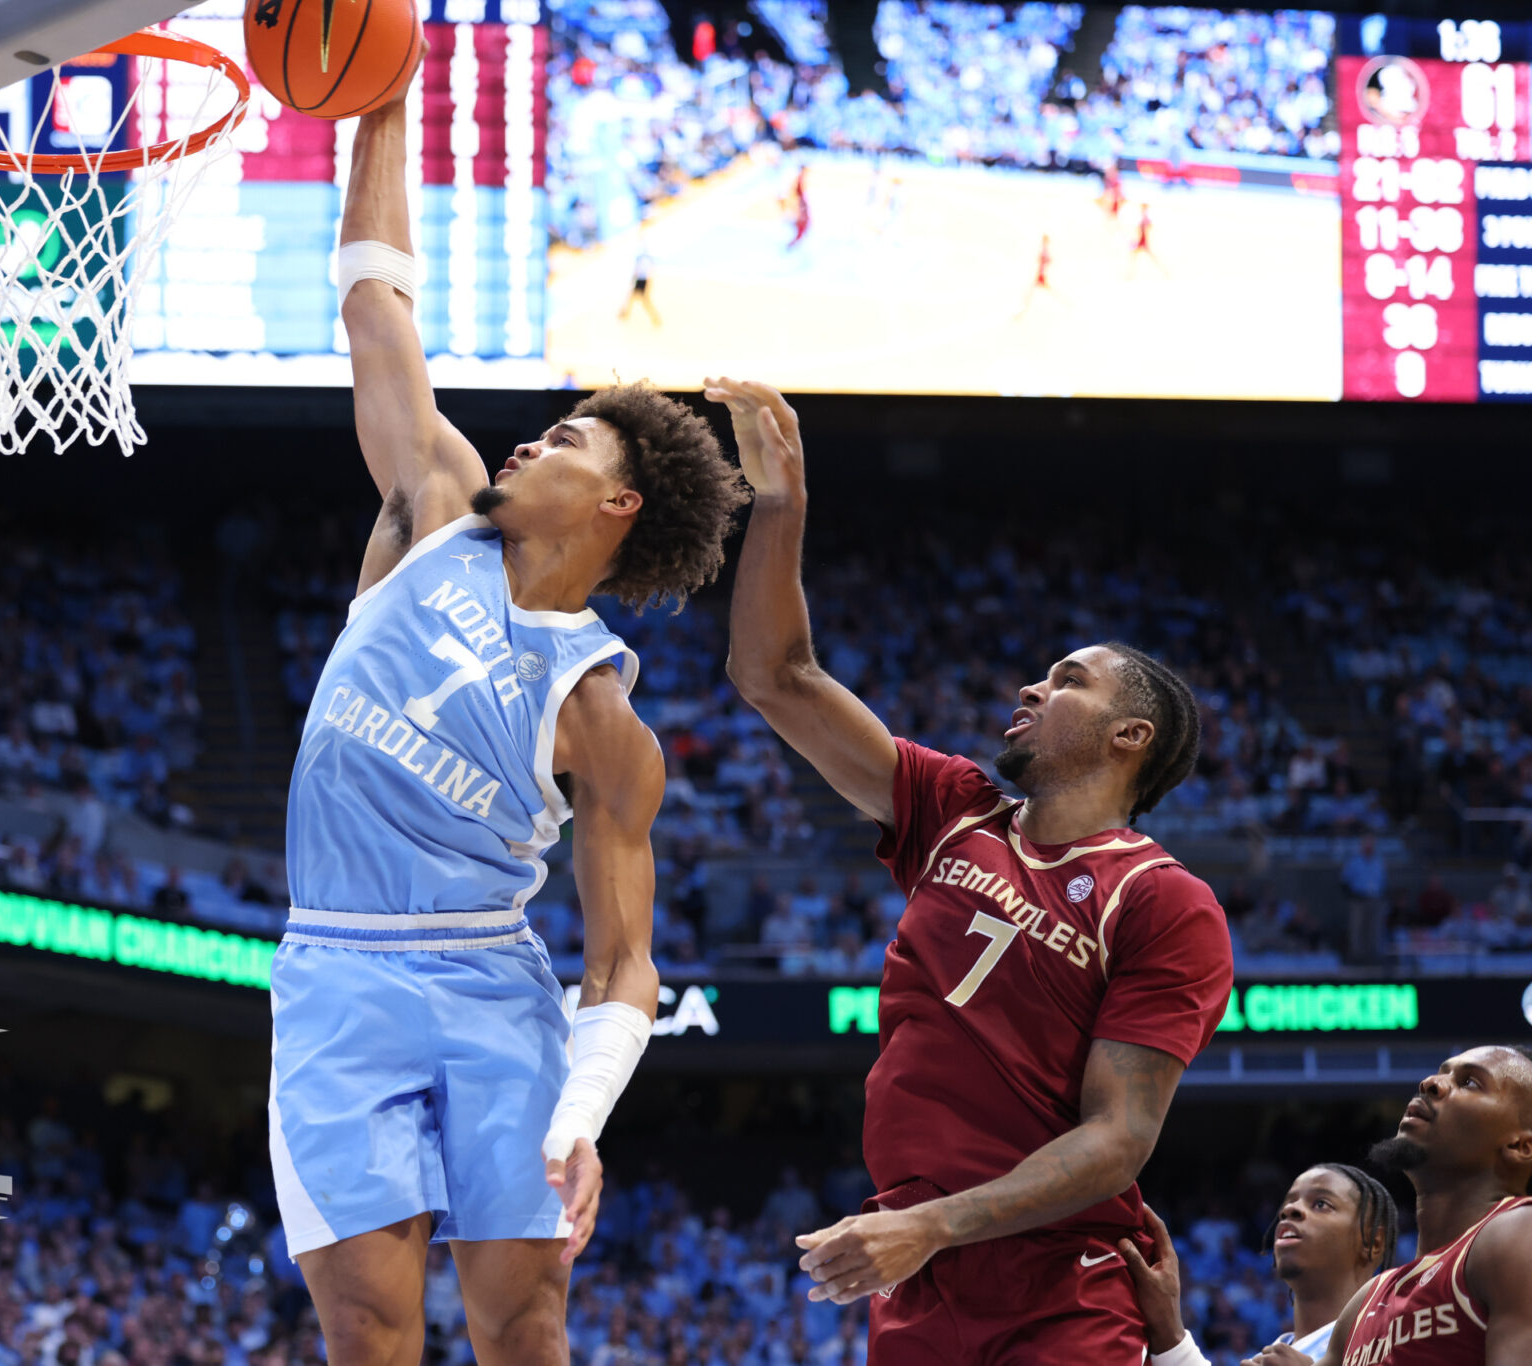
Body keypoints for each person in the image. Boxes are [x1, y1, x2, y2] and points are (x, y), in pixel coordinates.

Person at [270, 85, 750, 1366]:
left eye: (572, 438)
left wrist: (580, 1113)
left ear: (617, 505)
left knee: (521, 1321)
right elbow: (377, 308)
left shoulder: (602, 715)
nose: (536, 438)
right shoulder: (435, 511)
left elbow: (623, 962)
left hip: (491, 986)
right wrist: (378, 106)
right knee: (368, 1326)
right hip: (337, 969)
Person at [711, 378, 1233, 1362]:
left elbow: (1117, 1138)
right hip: (915, 1269)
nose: (1032, 684)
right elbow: (772, 676)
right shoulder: (953, 811)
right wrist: (780, 505)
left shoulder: (1163, 900)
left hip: (1058, 1279)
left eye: (1066, 678)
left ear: (1131, 735)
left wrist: (935, 1221)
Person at [1257, 1046, 1532, 1365]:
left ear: (1520, 1146)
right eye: (1440, 1072)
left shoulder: (1518, 1234)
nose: (1430, 1082)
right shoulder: (1366, 1302)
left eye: (1470, 1082)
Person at [1120, 1165, 1398, 1363]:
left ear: (1372, 1241)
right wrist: (1169, 1330)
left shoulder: (1399, 1345)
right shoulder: (1270, 1357)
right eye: (1289, 1202)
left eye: (1321, 1203)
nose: (1289, 1210)